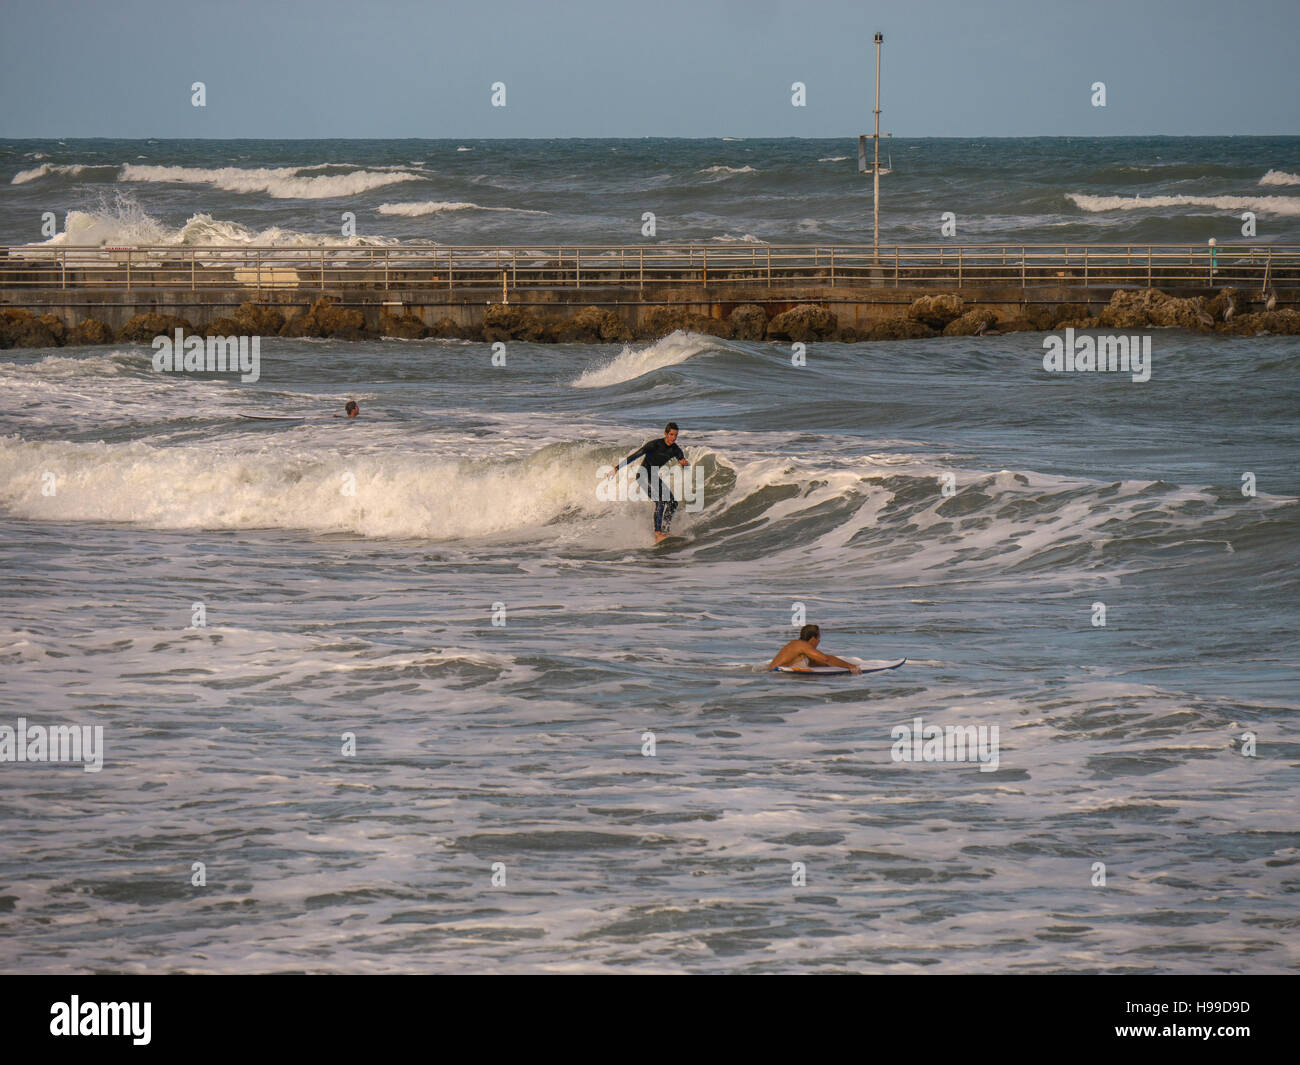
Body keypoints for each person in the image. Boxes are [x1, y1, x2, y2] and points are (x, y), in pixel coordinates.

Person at [611, 421, 690, 543]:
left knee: (673, 502)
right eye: (671, 434)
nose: (673, 438)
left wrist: (684, 463)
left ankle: (665, 529)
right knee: (660, 501)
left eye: (675, 435)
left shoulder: (675, 449)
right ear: (666, 434)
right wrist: (617, 468)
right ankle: (657, 533)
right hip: (642, 475)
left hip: (653, 476)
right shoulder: (654, 445)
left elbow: (682, 461)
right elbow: (634, 456)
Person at [768, 624, 862, 674]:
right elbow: (826, 659)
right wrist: (851, 666)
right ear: (813, 638)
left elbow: (821, 662)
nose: (819, 641)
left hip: (774, 675)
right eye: (819, 638)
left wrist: (843, 665)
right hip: (776, 675)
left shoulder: (798, 647)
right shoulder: (802, 645)